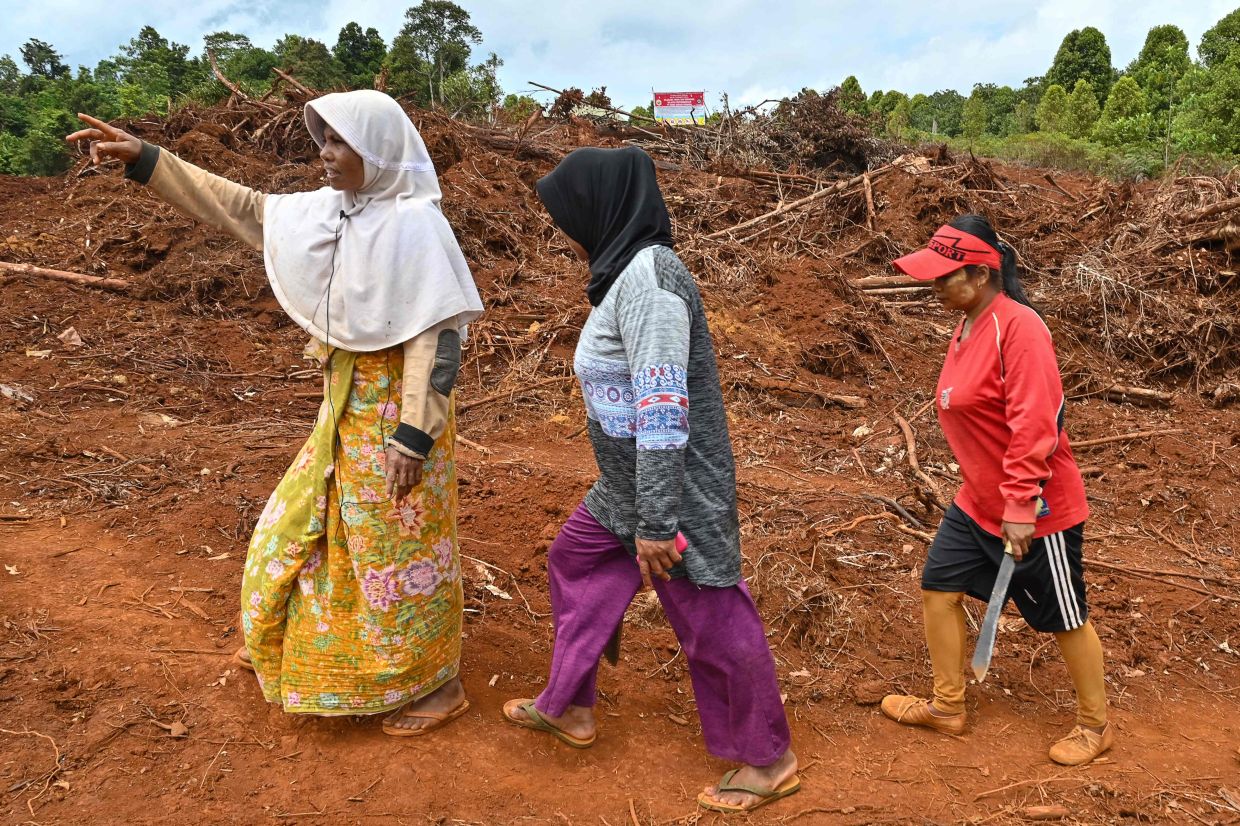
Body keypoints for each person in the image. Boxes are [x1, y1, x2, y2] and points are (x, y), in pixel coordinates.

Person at [67, 91, 484, 735]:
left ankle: (436, 683)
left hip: (400, 419)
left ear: (375, 149)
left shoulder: (415, 225)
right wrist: (148, 160)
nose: (326, 154)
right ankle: (313, 643)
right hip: (340, 407)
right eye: (323, 139)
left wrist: (412, 436)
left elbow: (439, 338)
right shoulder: (327, 213)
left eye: (339, 142)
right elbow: (238, 205)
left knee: (394, 551)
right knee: (305, 524)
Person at [501, 146, 799, 814]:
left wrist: (658, 524)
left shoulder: (651, 283)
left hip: (671, 491)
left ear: (602, 207)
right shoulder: (625, 275)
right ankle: (570, 707)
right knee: (575, 560)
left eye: (570, 212)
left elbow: (662, 409)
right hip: (626, 490)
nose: (564, 228)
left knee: (710, 614)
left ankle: (768, 759)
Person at [881, 214, 1112, 766]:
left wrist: (1019, 504)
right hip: (977, 499)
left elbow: (1037, 423)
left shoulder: (1019, 327)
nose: (934, 287)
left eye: (944, 277)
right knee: (939, 587)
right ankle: (947, 706)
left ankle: (1095, 725)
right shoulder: (966, 322)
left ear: (982, 274)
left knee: (1065, 613)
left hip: (1035, 505)